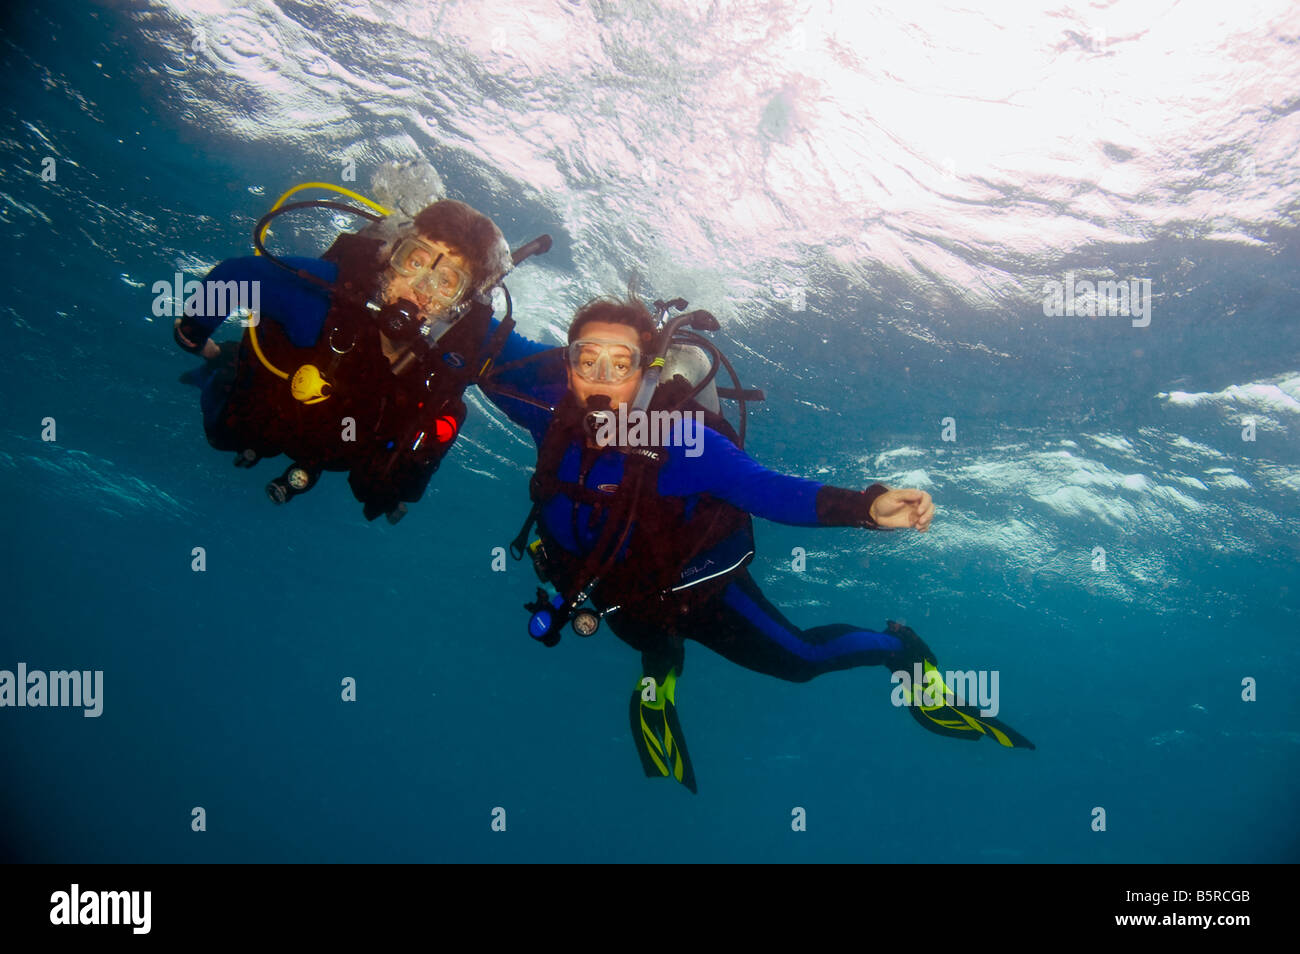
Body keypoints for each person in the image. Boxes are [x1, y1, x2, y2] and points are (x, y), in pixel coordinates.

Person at [493, 297, 1034, 793]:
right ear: (566, 366)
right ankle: (661, 672)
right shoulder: (545, 412)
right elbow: (479, 344)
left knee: (801, 660)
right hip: (616, 594)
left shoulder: (679, 440)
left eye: (622, 362)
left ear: (645, 373)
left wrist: (865, 507)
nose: (602, 380)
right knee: (645, 636)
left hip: (698, 593)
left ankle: (903, 651)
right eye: (588, 361)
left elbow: (766, 490)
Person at [174, 197, 550, 522]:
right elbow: (235, 275)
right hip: (268, 414)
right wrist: (194, 331)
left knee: (383, 489)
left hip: (349, 451)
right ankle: (218, 363)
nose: (420, 288)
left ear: (463, 303)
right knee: (225, 432)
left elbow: (548, 366)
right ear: (391, 254)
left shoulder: (470, 337)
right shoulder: (326, 293)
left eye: (447, 282)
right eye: (414, 261)